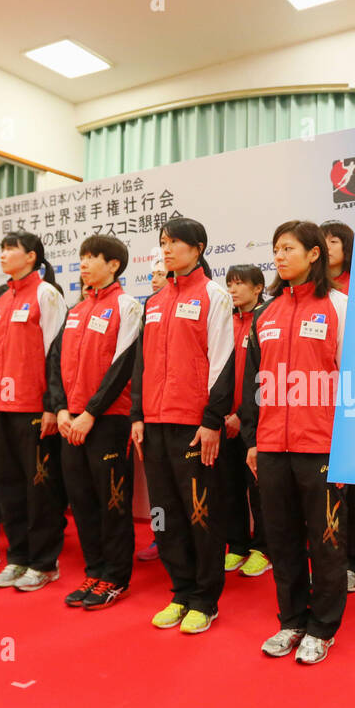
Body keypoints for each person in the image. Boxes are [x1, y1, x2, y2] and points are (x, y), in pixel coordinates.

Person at [241, 221, 349, 664]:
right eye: (276, 249)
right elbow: (254, 381)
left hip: (322, 446)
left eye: (288, 248)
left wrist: (348, 443)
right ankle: (291, 621)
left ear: (314, 254)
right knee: (282, 541)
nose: (279, 256)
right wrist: (253, 439)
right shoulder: (265, 314)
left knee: (326, 541)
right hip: (270, 448)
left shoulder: (341, 306)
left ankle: (323, 627)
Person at [130, 217, 234, 634]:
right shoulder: (153, 302)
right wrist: (137, 415)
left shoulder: (214, 295)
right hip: (153, 424)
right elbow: (142, 364)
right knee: (163, 513)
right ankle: (181, 590)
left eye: (174, 243)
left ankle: (205, 600)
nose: (166, 250)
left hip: (193, 426)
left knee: (200, 514)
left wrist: (211, 421)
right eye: (162, 242)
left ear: (199, 247)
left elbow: (223, 362)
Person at [48, 234, 142, 609]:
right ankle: (95, 570)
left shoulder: (128, 306)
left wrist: (90, 413)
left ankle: (115, 578)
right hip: (71, 422)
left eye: (92, 257)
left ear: (114, 265)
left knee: (112, 503)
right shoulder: (75, 310)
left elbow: (123, 367)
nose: (83, 263)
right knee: (82, 501)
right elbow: (55, 362)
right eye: (82, 257)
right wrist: (61, 410)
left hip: (108, 422)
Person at [0, 231, 68, 592]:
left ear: (31, 256)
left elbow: (56, 352)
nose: (3, 255)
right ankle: (17, 557)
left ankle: (44, 563)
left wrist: (52, 405)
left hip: (34, 409)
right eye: (1, 249)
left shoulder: (46, 293)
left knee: (40, 490)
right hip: (1, 408)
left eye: (10, 249)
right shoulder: (1, 300)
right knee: (8, 487)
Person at [321, 219, 355, 592]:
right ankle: (328, 557)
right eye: (321, 241)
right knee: (325, 487)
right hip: (315, 400)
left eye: (333, 240)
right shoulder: (313, 290)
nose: (326, 246)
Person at [220, 265, 269, 578]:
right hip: (224, 421)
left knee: (260, 489)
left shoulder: (266, 320)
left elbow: (265, 376)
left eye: (240, 284)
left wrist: (243, 414)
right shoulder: (225, 321)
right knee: (229, 488)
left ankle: (264, 548)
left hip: (257, 422)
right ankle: (236, 544)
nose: (233, 290)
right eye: (229, 283)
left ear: (258, 288)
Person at [134, 249, 170, 564]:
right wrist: (138, 415)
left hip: (186, 421)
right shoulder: (150, 308)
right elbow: (141, 365)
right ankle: (160, 537)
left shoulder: (207, 301)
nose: (155, 278)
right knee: (158, 495)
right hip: (151, 416)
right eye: (153, 274)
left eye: (160, 273)